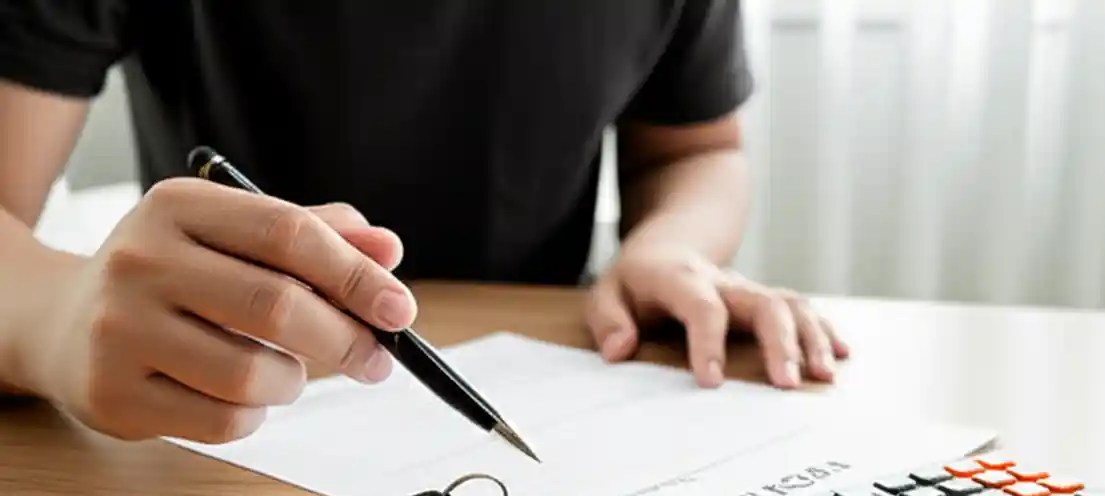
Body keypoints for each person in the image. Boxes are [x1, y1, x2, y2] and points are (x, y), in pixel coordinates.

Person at [0, 1, 848, 445]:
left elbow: (696, 148)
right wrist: (51, 322)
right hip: (211, 399)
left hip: (559, 363)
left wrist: (668, 247)